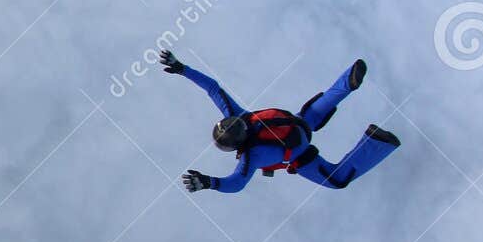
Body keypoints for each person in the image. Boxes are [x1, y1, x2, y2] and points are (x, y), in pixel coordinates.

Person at [158, 50, 401, 194]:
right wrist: (181, 68)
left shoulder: (249, 157)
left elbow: (236, 184)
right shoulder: (239, 114)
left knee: (337, 179)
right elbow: (212, 88)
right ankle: (348, 80)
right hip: (299, 122)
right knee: (316, 110)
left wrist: (210, 183)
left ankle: (378, 141)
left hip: (301, 155)